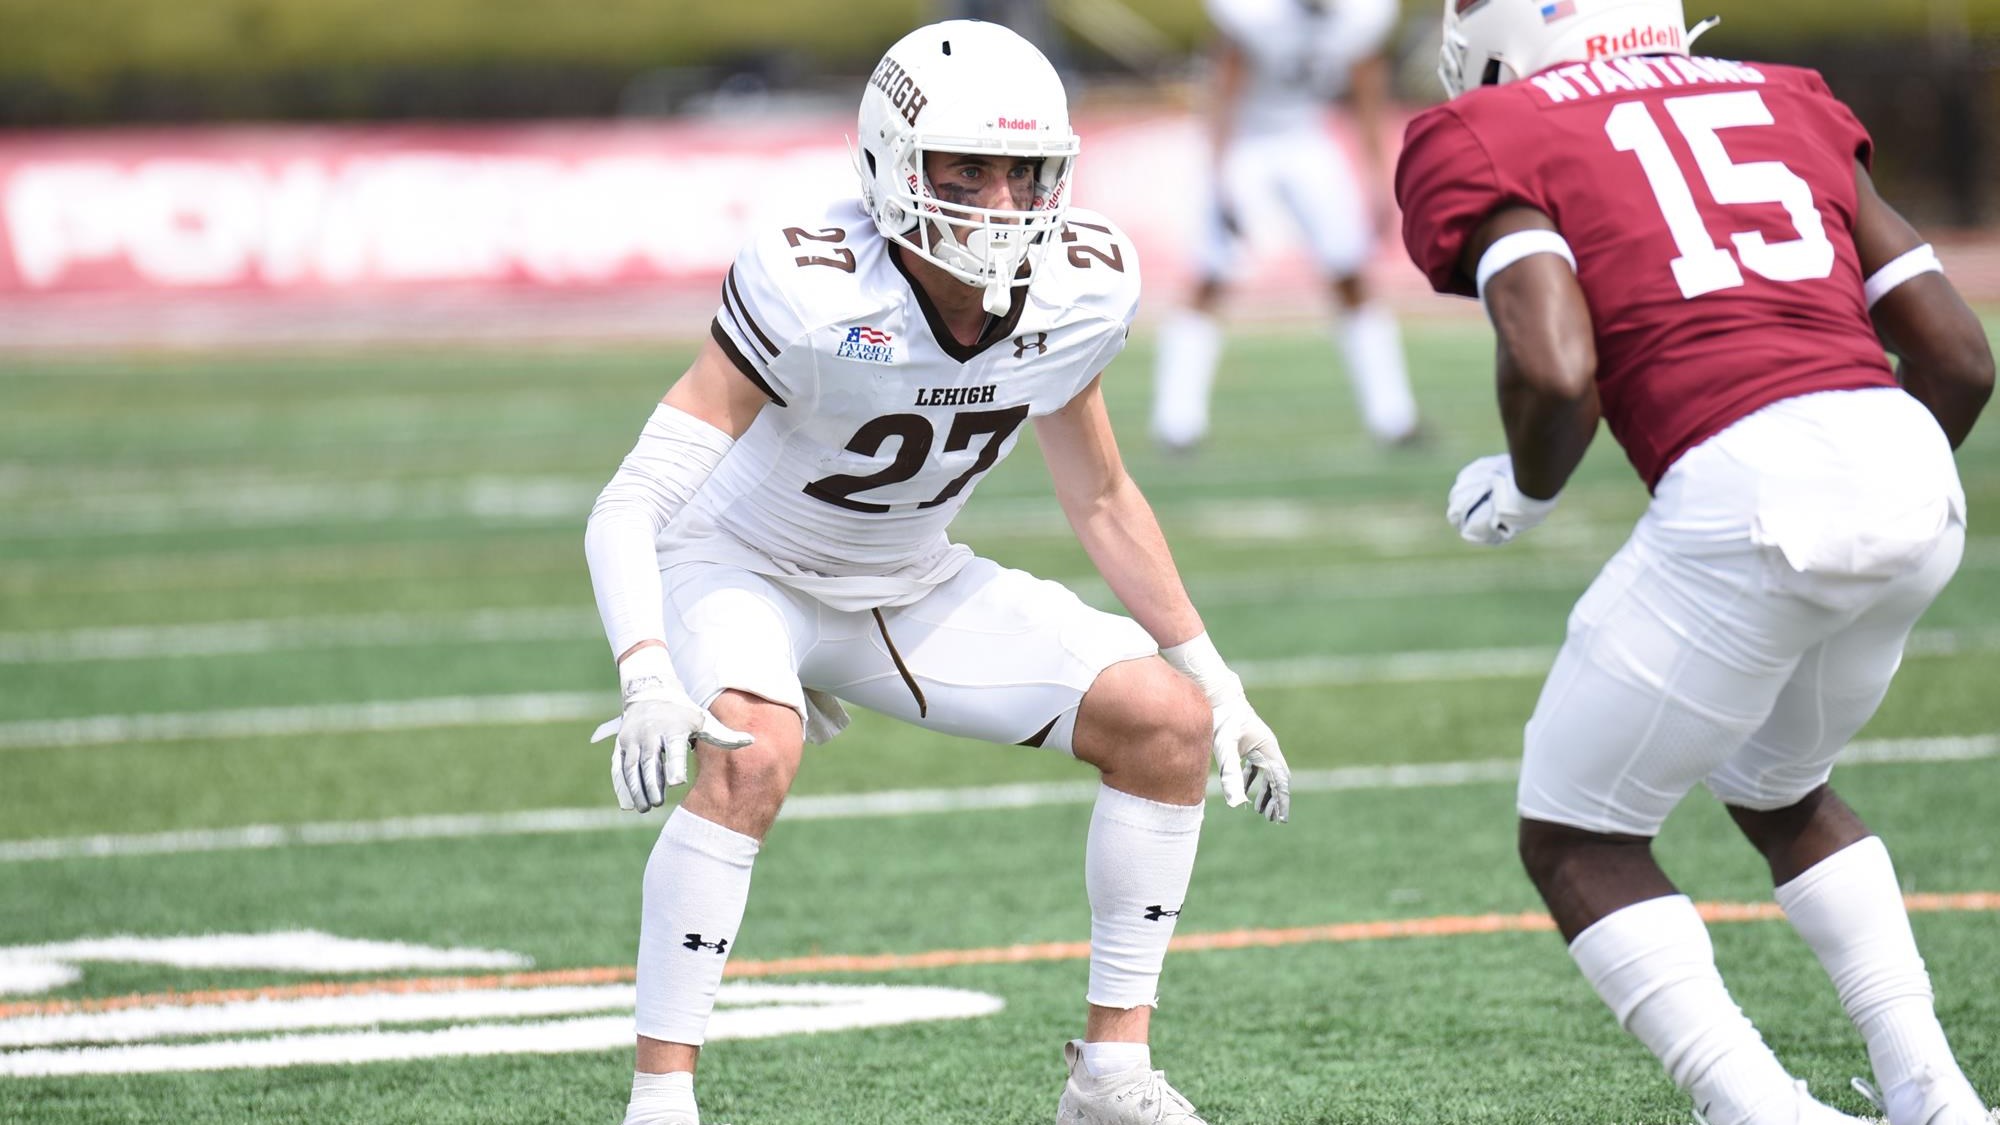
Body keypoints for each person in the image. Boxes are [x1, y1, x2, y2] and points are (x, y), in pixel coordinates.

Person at [583, 20, 1291, 1125]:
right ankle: (659, 1100)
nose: (999, 205)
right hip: (739, 565)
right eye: (964, 170)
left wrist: (1217, 677)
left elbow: (1099, 496)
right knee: (750, 749)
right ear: (888, 164)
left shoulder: (1077, 288)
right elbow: (631, 498)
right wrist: (643, 669)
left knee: (1164, 721)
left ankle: (1109, 1077)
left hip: (903, 578)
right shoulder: (813, 285)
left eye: (1024, 173)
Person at [1395, 2, 1994, 1124]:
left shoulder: (1483, 130)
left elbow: (1556, 366)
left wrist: (1526, 490)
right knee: (1779, 787)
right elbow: (1958, 356)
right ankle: (1933, 1091)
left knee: (1577, 834)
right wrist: (1867, 480)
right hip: (1909, 464)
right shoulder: (1782, 93)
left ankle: (1759, 1109)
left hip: (1750, 486)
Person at [1150, 0, 1423, 454]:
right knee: (1211, 276)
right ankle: (1177, 421)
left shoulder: (1359, 15)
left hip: (1306, 138)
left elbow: (1368, 91)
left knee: (1351, 273)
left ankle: (1393, 416)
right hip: (1246, 141)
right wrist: (1218, 179)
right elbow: (1224, 90)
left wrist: (1378, 179)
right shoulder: (1253, 14)